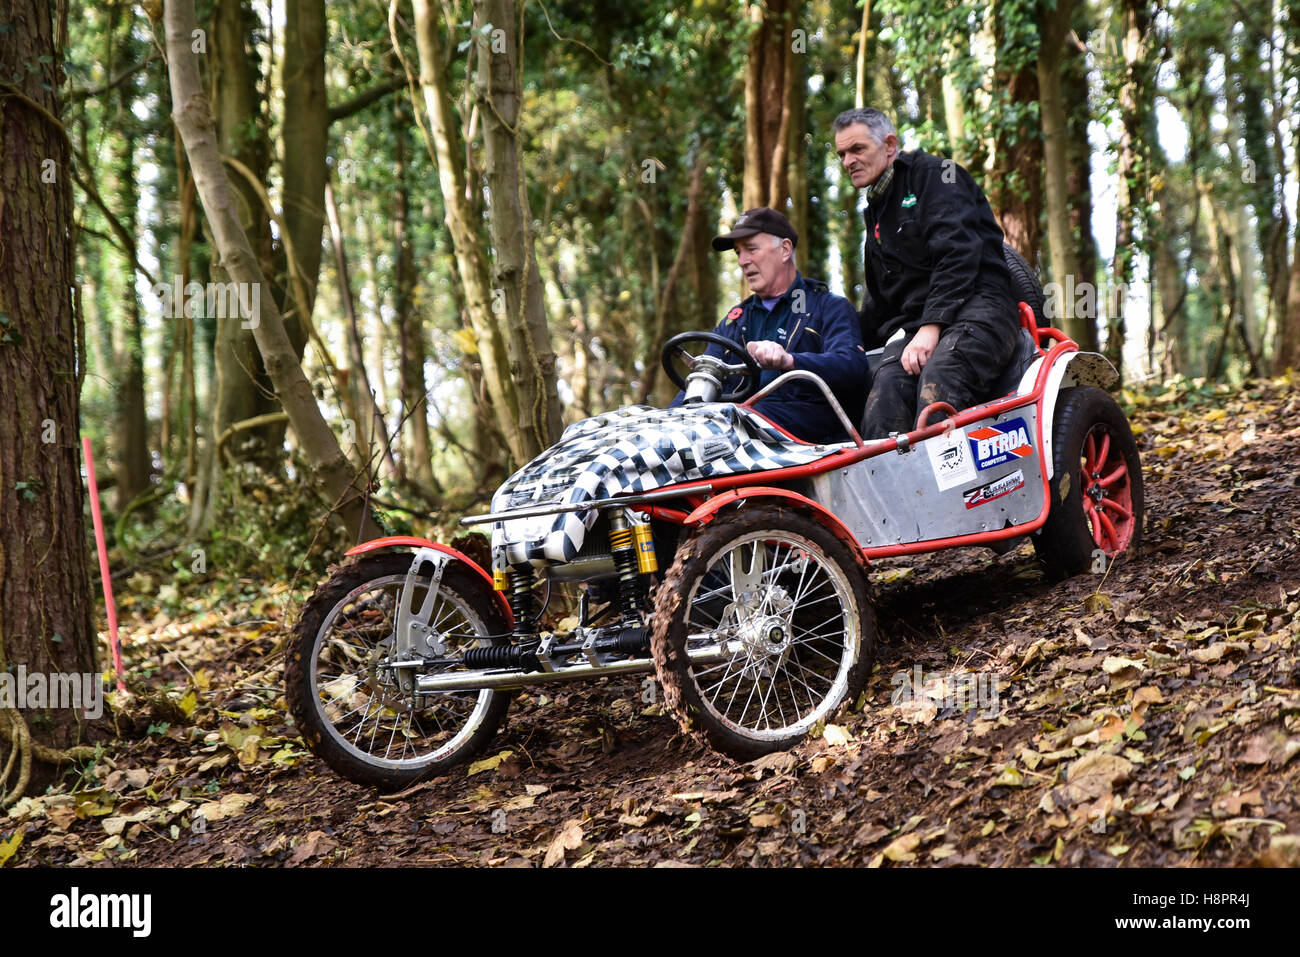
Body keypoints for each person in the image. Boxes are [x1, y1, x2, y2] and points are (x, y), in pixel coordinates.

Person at [833, 107, 1019, 437]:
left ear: (890, 145)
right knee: (883, 396)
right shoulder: (876, 210)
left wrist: (932, 326)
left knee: (941, 379)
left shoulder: (938, 175)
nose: (848, 161)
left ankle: (957, 488)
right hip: (918, 327)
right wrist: (836, 342)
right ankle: (892, 489)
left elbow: (958, 256)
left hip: (980, 308)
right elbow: (881, 304)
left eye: (857, 149)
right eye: (842, 154)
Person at [671, 207, 871, 445]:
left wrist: (790, 361)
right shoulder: (735, 320)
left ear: (785, 249)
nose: (743, 261)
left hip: (811, 433)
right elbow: (706, 373)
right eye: (738, 253)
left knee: (736, 420)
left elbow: (853, 365)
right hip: (740, 428)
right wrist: (667, 418)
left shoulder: (827, 306)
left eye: (751, 249)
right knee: (675, 429)